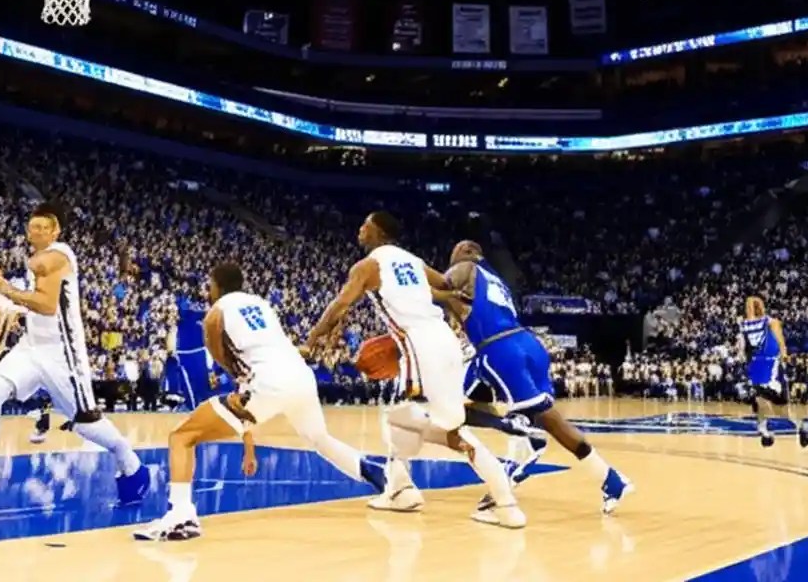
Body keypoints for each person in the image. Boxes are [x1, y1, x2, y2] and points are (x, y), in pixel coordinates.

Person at [133, 262, 385, 542]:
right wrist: (249, 444)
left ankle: (180, 516)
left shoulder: (215, 315)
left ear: (215, 286)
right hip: (301, 377)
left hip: (269, 383)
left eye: (210, 286)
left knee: (182, 436)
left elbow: (230, 367)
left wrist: (238, 397)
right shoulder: (260, 304)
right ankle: (375, 471)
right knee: (319, 439)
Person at [306, 212, 526, 529]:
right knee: (401, 419)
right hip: (445, 341)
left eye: (364, 225)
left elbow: (340, 305)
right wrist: (448, 291)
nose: (360, 229)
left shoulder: (368, 266)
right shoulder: (413, 262)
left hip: (418, 345)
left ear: (378, 232)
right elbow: (446, 283)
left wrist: (312, 339)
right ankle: (401, 489)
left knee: (432, 424)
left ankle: (504, 501)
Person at [0, 203, 151, 503]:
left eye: (45, 227)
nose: (38, 231)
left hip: (63, 353)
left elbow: (46, 304)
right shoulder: (36, 261)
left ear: (56, 231)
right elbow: (33, 303)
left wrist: (2, 286)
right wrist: (9, 297)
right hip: (32, 346)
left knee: (86, 423)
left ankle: (130, 463)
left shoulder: (61, 254)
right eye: (33, 227)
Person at [440, 240, 633, 514]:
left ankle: (521, 449)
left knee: (456, 414)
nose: (452, 256)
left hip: (498, 349)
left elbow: (437, 288)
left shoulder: (465, 267)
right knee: (547, 419)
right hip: (526, 344)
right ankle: (610, 479)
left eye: (456, 250)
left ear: (470, 252)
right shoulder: (497, 282)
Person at [741, 296, 808, 448]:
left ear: (756, 307)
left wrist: (784, 356)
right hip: (756, 366)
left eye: (749, 305)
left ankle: (801, 427)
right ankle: (764, 432)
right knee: (758, 401)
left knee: (779, 408)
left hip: (771, 367)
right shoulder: (745, 325)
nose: (746, 308)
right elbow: (744, 348)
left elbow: (781, 342)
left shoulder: (770, 322)